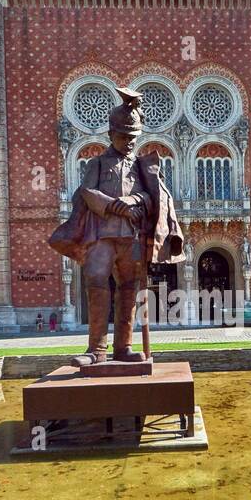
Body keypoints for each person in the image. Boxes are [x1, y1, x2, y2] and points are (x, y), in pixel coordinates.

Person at [48, 87, 184, 366]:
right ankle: (96, 350)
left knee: (129, 290)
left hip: (131, 237)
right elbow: (87, 191)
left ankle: (123, 347)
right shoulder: (97, 163)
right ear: (111, 135)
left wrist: (134, 199)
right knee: (96, 280)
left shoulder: (142, 167)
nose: (129, 142)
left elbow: (152, 195)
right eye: (124, 136)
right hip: (103, 235)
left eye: (133, 137)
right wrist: (113, 205)